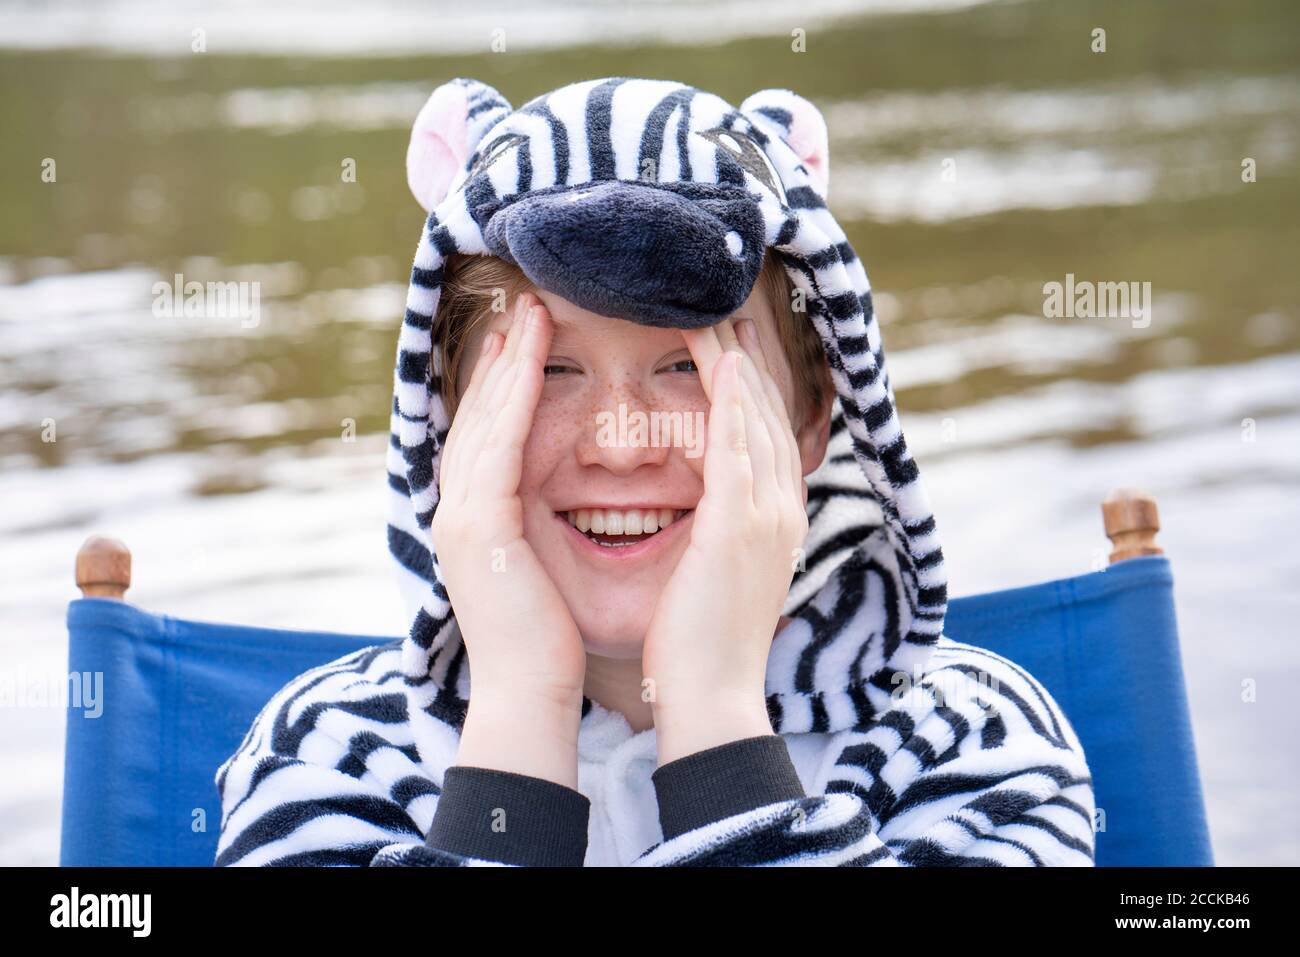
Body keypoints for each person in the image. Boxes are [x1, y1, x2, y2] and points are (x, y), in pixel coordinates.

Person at [213, 76, 1096, 867]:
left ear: (814, 419)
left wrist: (716, 720)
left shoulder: (970, 741)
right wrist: (521, 710)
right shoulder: (325, 755)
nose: (624, 442)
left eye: (687, 365)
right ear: (448, 426)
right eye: (551, 367)